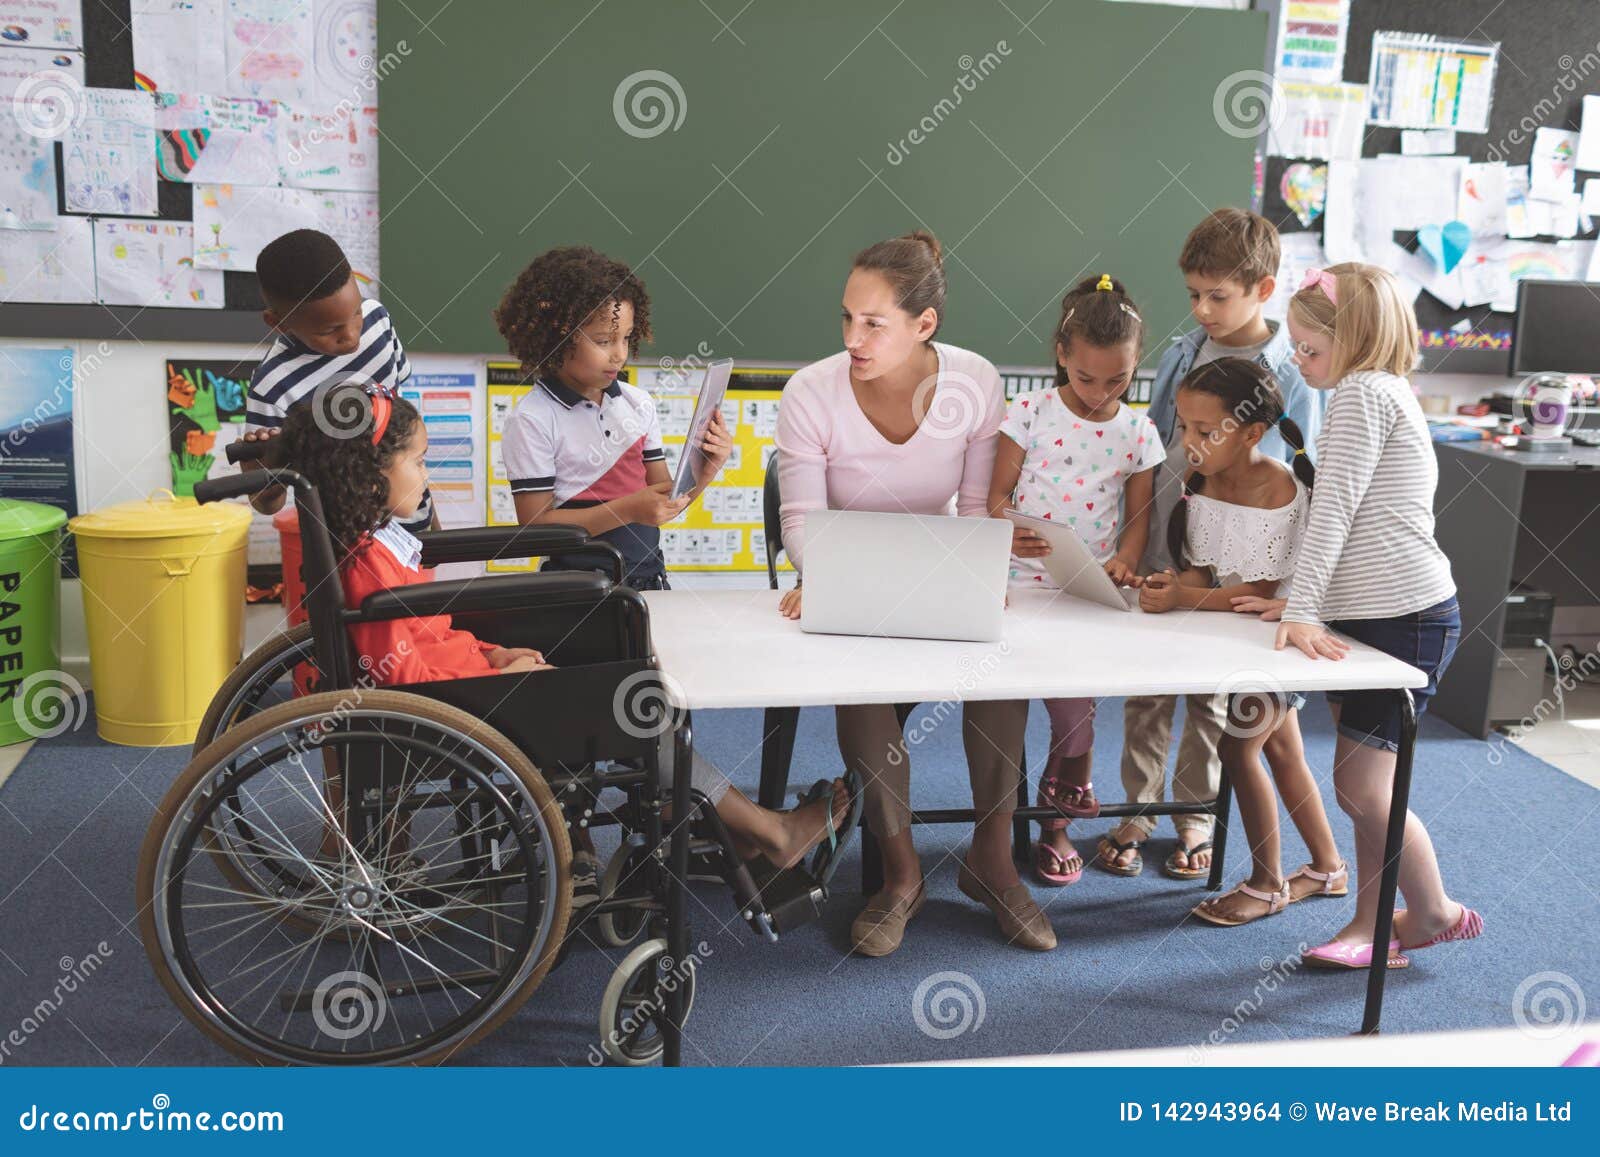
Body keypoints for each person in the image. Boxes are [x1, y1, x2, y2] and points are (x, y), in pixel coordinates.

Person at [776, 230, 1053, 955]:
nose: (852, 339)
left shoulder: (973, 380)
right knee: (864, 689)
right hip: (851, 577)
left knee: (1001, 674)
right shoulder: (810, 391)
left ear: (924, 323)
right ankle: (901, 876)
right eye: (847, 318)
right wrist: (827, 576)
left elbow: (976, 507)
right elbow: (800, 519)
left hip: (941, 568)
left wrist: (980, 575)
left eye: (874, 323)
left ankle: (993, 863)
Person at [1274, 263, 1481, 970]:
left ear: (1355, 338)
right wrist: (1297, 601)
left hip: (1406, 618)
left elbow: (1334, 511)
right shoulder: (1374, 390)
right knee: (1370, 790)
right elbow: (1344, 517)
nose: (1299, 360)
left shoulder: (1364, 393)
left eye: (1310, 347)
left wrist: (1303, 609)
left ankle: (1433, 910)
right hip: (1373, 615)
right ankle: (1370, 923)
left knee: (1362, 788)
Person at [1111, 207, 1324, 880]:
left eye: (1218, 296)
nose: (1202, 309)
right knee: (1147, 689)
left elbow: (1304, 468)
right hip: (1173, 538)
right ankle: (1137, 810)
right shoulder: (1183, 352)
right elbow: (1151, 448)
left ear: (1264, 290)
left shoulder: (1291, 371)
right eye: (1193, 294)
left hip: (1242, 555)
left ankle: (1195, 815)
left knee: (1210, 694)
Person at [1139, 357, 1347, 926]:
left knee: (1238, 750)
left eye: (1205, 431)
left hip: (1278, 641)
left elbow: (1255, 592)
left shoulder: (1278, 489)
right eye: (1185, 426)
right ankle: (1329, 867)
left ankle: (1266, 883)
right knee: (1283, 751)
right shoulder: (1201, 481)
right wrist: (1172, 587)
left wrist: (1182, 599)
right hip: (1235, 640)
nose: (1189, 441)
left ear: (1252, 433)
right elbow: (1203, 571)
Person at [985, 274, 1163, 886]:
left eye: (1118, 381)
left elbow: (1137, 523)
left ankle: (1056, 825)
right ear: (1062, 354)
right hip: (1019, 585)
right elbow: (997, 500)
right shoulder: (1029, 412)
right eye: (1086, 379)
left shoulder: (1138, 432)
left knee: (1076, 708)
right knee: (1011, 707)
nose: (1099, 394)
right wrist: (1009, 529)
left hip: (1087, 590)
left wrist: (1126, 562)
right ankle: (1006, 823)